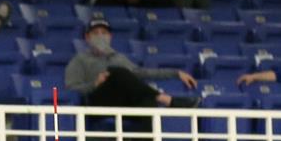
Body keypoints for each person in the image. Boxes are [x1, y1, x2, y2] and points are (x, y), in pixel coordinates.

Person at [65, 18, 198, 109]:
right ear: (87, 37)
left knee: (147, 102)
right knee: (117, 72)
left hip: (122, 101)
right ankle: (167, 100)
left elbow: (141, 73)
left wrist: (176, 73)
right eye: (95, 33)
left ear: (110, 37)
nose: (100, 36)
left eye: (104, 33)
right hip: (97, 102)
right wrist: (95, 83)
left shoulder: (118, 57)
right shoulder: (79, 60)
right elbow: (72, 89)